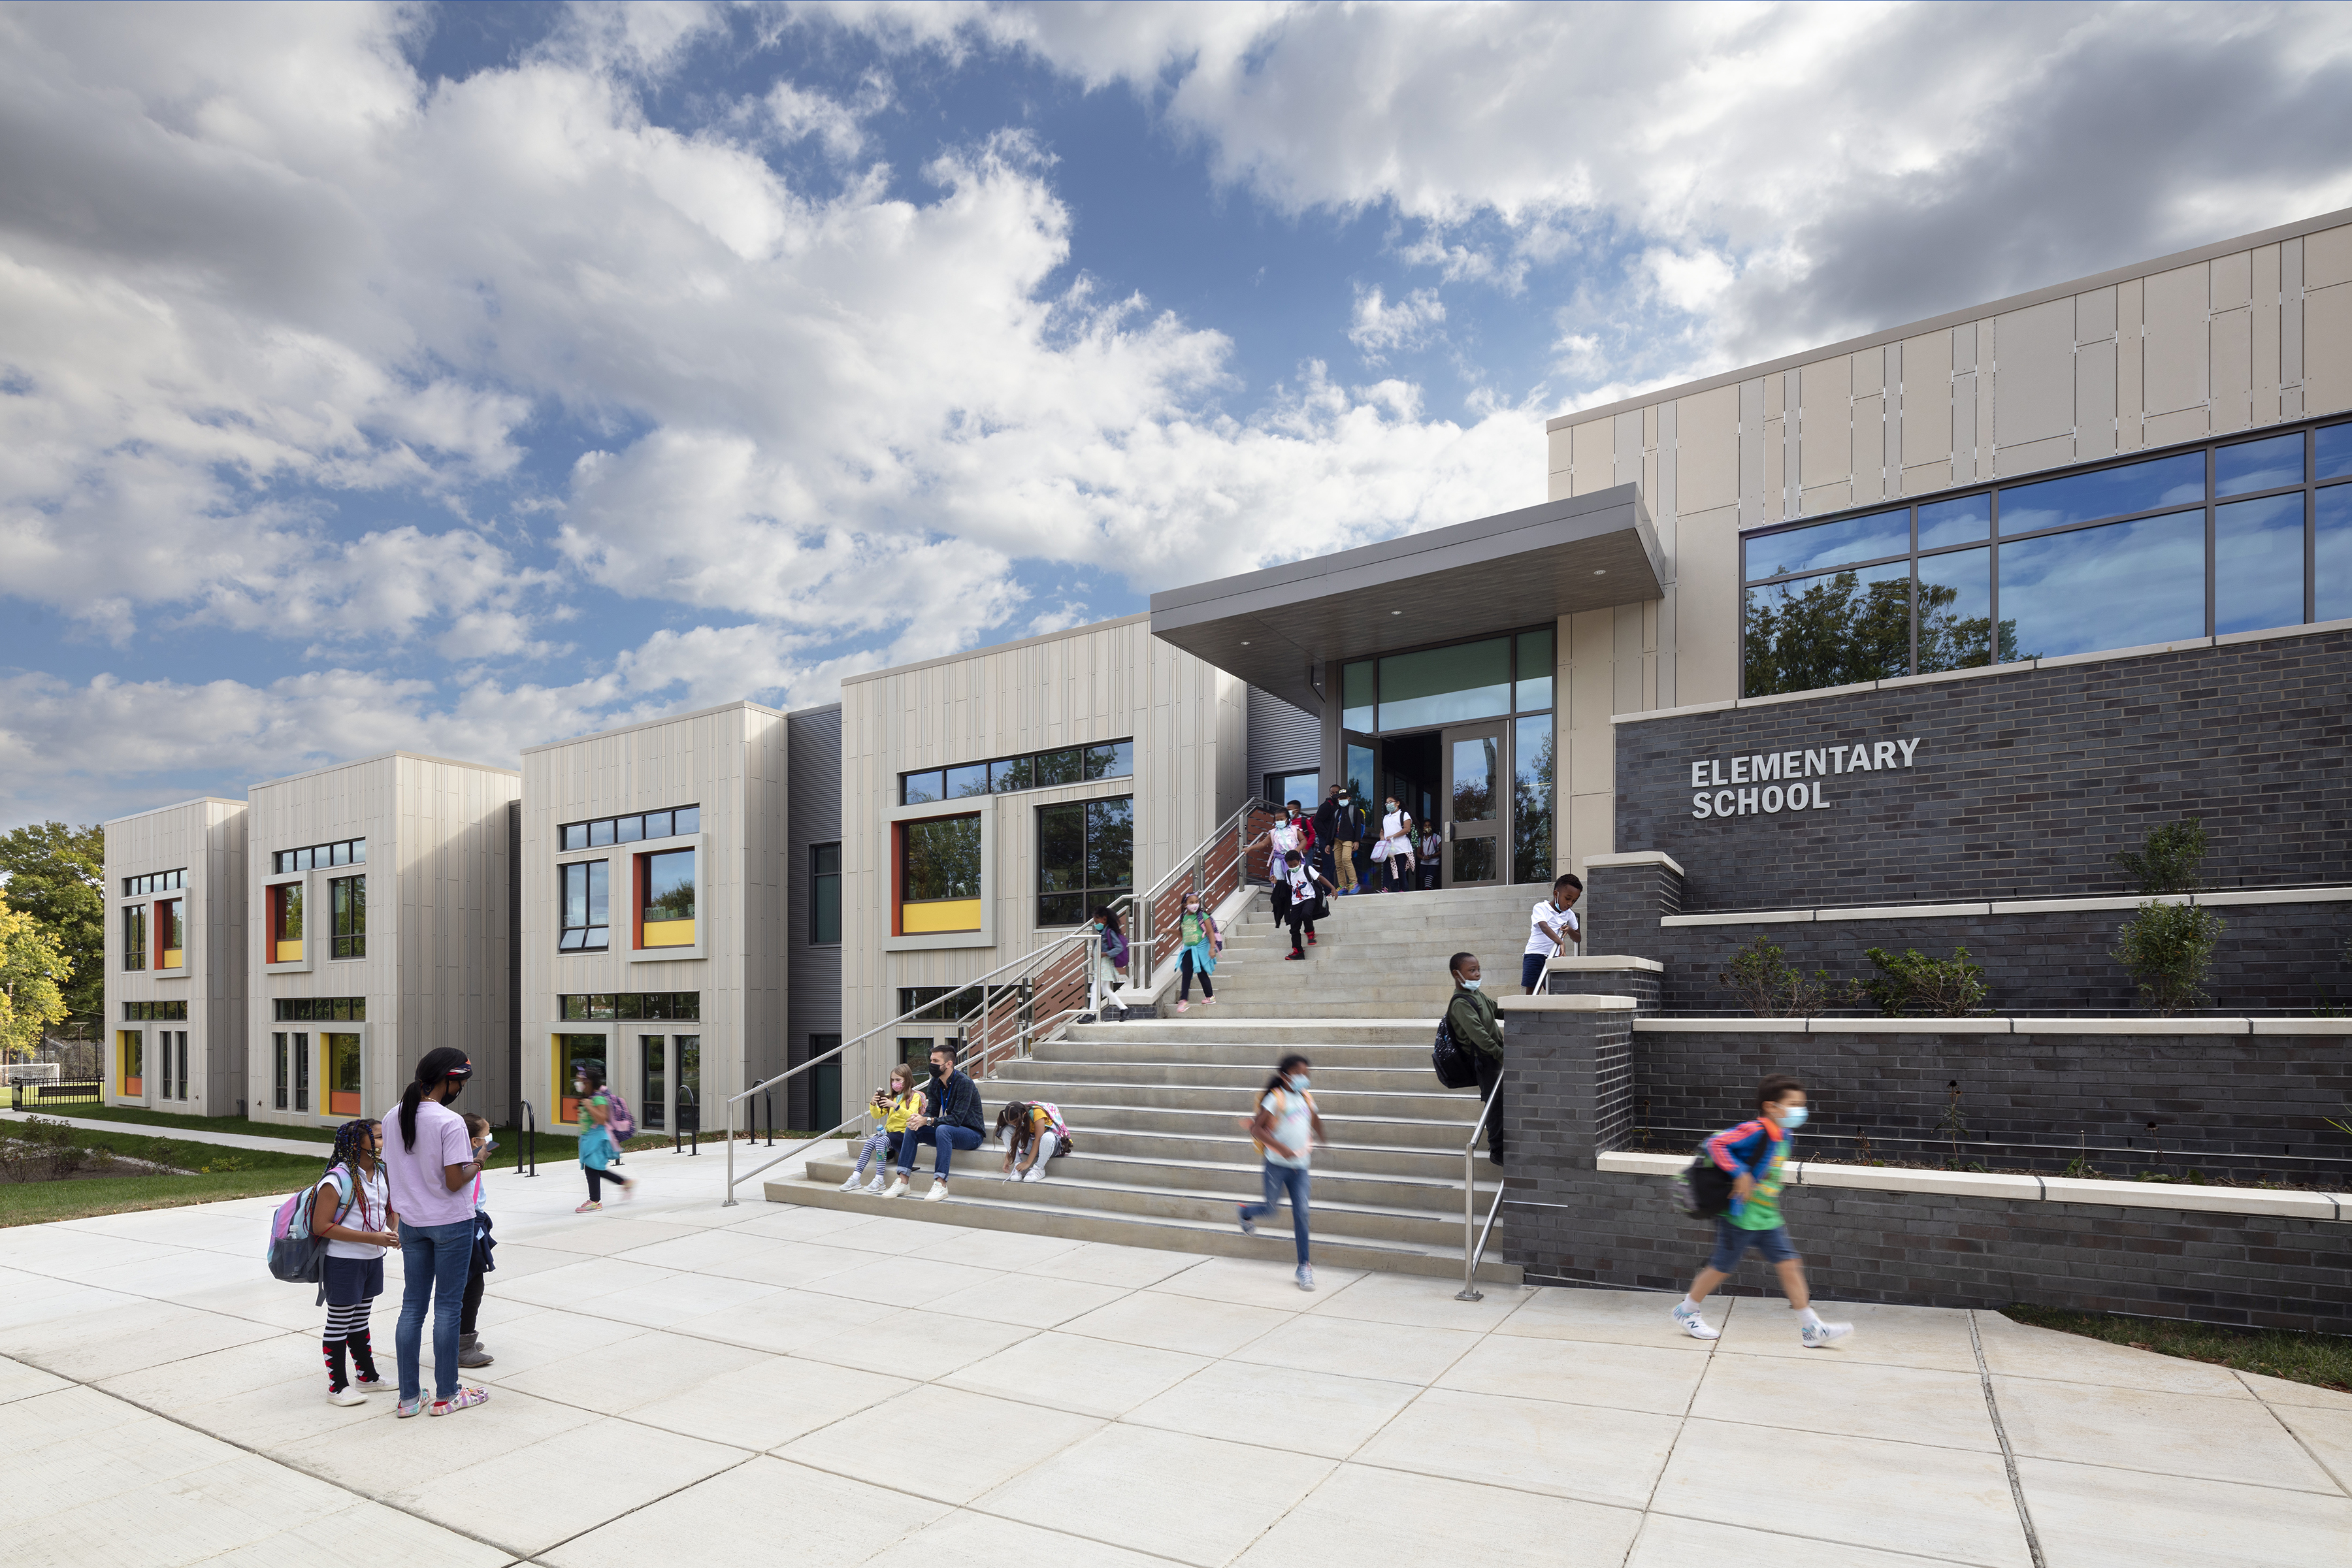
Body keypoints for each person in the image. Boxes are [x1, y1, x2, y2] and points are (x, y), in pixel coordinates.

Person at [1672, 1074, 1855, 1348]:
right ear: (1771, 1107)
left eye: (1801, 1104)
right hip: (1739, 1215)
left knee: (1789, 1264)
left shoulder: (1784, 1135)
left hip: (1767, 1216)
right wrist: (1740, 1172)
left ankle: (1811, 1328)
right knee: (1721, 1267)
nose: (1800, 1110)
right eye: (1793, 1104)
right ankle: (1686, 1310)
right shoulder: (1755, 1130)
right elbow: (1716, 1143)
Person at [380, 1047, 489, 1418]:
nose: (460, 1088)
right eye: (460, 1081)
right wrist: (479, 1159)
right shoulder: (450, 1122)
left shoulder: (393, 1116)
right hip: (451, 1223)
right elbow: (455, 1180)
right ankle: (448, 1394)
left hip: (413, 1223)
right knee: (447, 1308)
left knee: (412, 1307)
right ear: (449, 1080)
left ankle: (409, 1398)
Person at [314, 1118, 395, 1407]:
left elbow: (387, 1211)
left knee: (360, 1320)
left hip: (372, 1258)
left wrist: (391, 1226)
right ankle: (337, 1387)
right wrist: (374, 1239)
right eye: (379, 1137)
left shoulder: (382, 1173)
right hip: (343, 1261)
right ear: (357, 1143)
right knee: (339, 1323)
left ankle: (367, 1377)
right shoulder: (338, 1179)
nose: (385, 1143)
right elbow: (321, 1226)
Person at [1236, 1053, 1324, 1292]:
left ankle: (1304, 1266)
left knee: (1302, 1213)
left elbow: (1314, 1121)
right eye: (1298, 1075)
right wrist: (1282, 1148)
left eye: (1306, 1075)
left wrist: (1319, 1138)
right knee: (1272, 1209)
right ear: (1285, 1077)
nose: (1303, 1079)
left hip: (1300, 1168)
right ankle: (1244, 1212)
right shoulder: (1276, 1099)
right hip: (1276, 1165)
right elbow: (1257, 1128)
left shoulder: (1306, 1097)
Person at [888, 1041, 987, 1201]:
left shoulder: (964, 1083)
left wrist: (927, 1121)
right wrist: (920, 1119)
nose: (931, 1064)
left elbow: (955, 1119)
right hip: (949, 1132)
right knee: (913, 1128)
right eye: (931, 1060)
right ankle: (903, 1181)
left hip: (971, 1134)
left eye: (936, 1061)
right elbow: (932, 1111)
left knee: (943, 1129)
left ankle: (941, 1184)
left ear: (948, 1064)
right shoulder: (935, 1082)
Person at [1446, 952, 1507, 1167]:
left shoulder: (1478, 995)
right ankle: (1498, 1151)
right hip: (1485, 1061)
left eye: (1478, 969)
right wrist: (1503, 1054)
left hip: (1496, 1056)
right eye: (1471, 971)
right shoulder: (1460, 1004)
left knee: (1503, 1101)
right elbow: (1480, 1036)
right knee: (1495, 1104)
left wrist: (1522, 1009)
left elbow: (1496, 1010)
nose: (1477, 974)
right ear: (1457, 974)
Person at [457, 1113, 497, 1369]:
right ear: (473, 1141)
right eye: (487, 1135)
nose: (490, 1140)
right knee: (471, 1286)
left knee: (468, 1285)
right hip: (467, 1225)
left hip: (474, 1221)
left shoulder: (469, 1160)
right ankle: (462, 1346)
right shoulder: (467, 1164)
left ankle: (458, 1340)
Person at [844, 1062, 919, 1192]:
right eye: (892, 1080)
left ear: (907, 1080)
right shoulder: (893, 1097)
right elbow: (877, 1115)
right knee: (869, 1143)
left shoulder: (914, 1096)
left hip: (904, 1134)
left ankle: (879, 1179)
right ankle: (855, 1177)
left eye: (898, 1080)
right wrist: (873, 1104)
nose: (894, 1083)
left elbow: (911, 1116)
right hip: (890, 1133)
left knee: (881, 1142)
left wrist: (895, 1106)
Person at [572, 1060, 636, 1212]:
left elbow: (602, 1119)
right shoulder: (589, 1098)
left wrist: (589, 1106)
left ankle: (595, 1201)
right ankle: (625, 1183)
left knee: (592, 1168)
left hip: (598, 1138)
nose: (578, 1084)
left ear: (589, 1083)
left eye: (580, 1081)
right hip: (590, 1138)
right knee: (596, 1168)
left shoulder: (598, 1099)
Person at [1524, 874, 1583, 993]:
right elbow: (1544, 927)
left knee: (1555, 990)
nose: (1570, 904)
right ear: (1556, 894)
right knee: (1533, 990)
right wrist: (1560, 942)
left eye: (1574, 901)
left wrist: (1570, 930)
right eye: (1567, 898)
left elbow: (1578, 938)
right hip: (1535, 955)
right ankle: (1529, 1011)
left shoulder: (1569, 914)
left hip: (1554, 957)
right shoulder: (1541, 908)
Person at [1279, 849, 1338, 960]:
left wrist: (1332, 888)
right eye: (1290, 865)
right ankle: (1298, 952)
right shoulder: (1288, 874)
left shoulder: (1307, 869)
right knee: (1294, 928)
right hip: (1296, 902)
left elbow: (1320, 878)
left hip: (1309, 899)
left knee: (1306, 914)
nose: (1293, 867)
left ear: (1299, 861)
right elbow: (1289, 887)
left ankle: (1310, 933)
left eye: (1295, 865)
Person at [994, 1097, 1067, 1183]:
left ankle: (1039, 1168)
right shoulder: (1020, 1116)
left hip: (1050, 1147)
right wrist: (1009, 1156)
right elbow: (1015, 1136)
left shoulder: (1037, 1112)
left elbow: (1038, 1139)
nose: (1013, 1125)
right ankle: (1018, 1167)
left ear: (1024, 1114)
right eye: (1011, 1123)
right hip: (1033, 1146)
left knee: (1048, 1137)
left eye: (1014, 1122)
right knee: (1006, 1130)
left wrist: (1028, 1163)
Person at [1174, 892, 1220, 1011]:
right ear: (1185, 905)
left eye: (1197, 902)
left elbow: (1210, 933)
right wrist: (1169, 931)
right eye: (1191, 902)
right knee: (1186, 974)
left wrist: (1211, 949)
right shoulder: (1183, 917)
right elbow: (1182, 934)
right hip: (1188, 949)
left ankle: (1210, 997)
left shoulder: (1202, 916)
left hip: (1201, 948)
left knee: (1202, 973)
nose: (1195, 905)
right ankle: (1183, 1001)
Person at [1089, 906, 1130, 1021]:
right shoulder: (1104, 933)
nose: (1096, 924)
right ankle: (1124, 1009)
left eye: (1097, 922)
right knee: (1106, 990)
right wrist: (1096, 954)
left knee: (1094, 988)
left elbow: (1119, 947)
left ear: (1104, 919)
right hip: (1102, 965)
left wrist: (1105, 954)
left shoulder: (1109, 932)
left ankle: (1092, 1014)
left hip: (1105, 966)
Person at [1325, 787, 1367, 896]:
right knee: (1338, 863)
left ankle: (1354, 883)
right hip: (1337, 840)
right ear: (1338, 800)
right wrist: (1329, 844)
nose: (1342, 799)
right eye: (1340, 798)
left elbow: (1359, 826)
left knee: (1346, 859)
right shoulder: (1336, 812)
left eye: (1344, 797)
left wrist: (1357, 841)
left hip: (1348, 839)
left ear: (1349, 798)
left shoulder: (1355, 810)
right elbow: (1332, 829)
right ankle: (1342, 886)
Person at [1373, 794, 1415, 893]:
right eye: (1387, 803)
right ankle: (1385, 888)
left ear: (1398, 803)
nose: (1388, 804)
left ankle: (1403, 889)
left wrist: (1393, 836)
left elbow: (1407, 829)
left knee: (1401, 868)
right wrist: (1382, 837)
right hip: (1389, 848)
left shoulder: (1404, 815)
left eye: (1390, 802)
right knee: (1387, 868)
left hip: (1401, 847)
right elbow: (1382, 831)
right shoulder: (1386, 818)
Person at [1417, 823, 1443, 890]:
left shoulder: (1436, 837)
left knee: (1428, 879)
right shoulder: (1421, 839)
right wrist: (1423, 858)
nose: (1427, 827)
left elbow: (1442, 850)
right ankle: (1431, 892)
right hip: (1424, 863)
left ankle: (1427, 894)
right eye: (1425, 826)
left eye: (1429, 825)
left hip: (1434, 862)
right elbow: (1418, 853)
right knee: (1427, 881)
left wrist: (1433, 856)